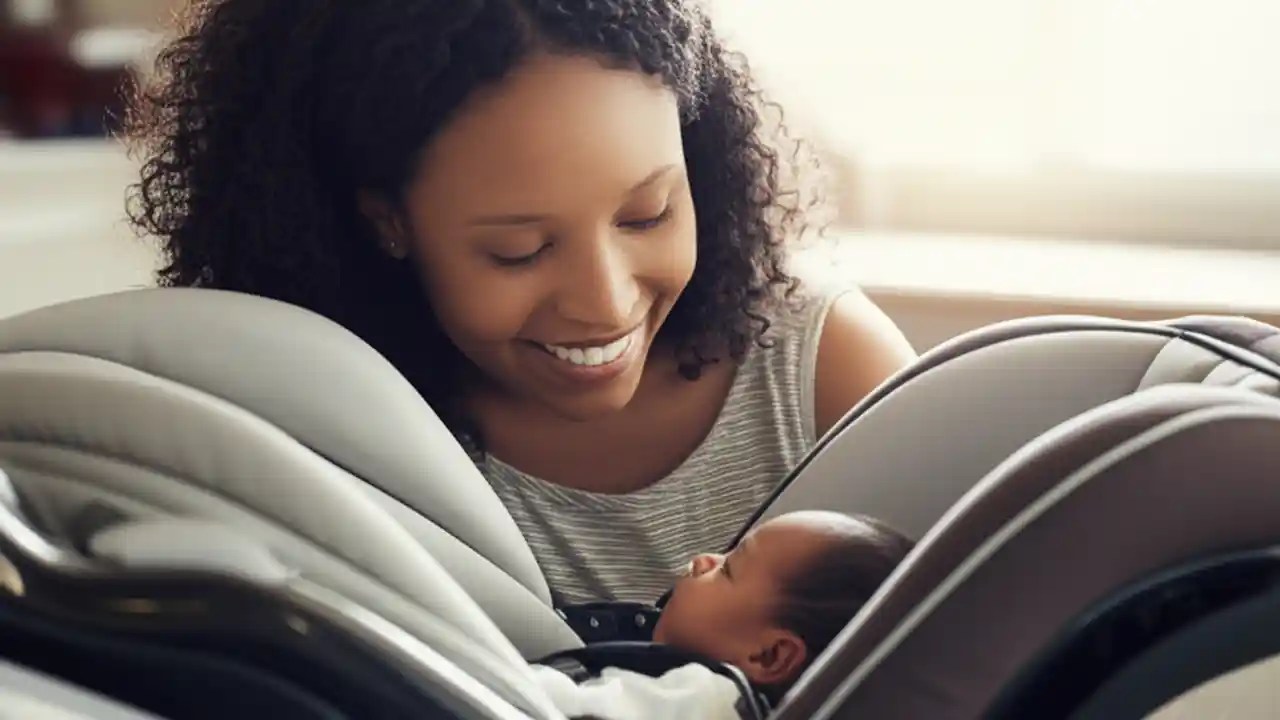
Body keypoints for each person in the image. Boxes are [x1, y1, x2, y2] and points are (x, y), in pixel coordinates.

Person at [124, 0, 918, 606]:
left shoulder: (828, 379)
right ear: (386, 223)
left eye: (648, 215)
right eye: (521, 251)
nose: (604, 303)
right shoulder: (328, 445)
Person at [530, 510, 914, 717]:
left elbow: (554, 707)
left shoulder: (707, 700)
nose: (703, 560)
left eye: (726, 569)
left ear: (768, 655)